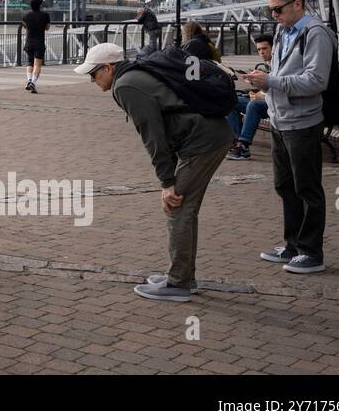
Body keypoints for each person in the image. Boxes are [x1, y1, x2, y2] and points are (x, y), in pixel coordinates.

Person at [76, 42, 231, 302]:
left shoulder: (125, 86)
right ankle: (183, 277)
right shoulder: (137, 73)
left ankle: (179, 283)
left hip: (203, 141)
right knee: (184, 207)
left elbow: (153, 135)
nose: (92, 80)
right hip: (208, 134)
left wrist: (167, 182)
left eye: (94, 74)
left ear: (108, 68)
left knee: (177, 206)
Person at [244, 0, 334, 275]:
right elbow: (282, 72)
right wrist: (265, 80)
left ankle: (312, 252)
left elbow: (315, 81)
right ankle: (293, 245)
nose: (274, 16)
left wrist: (270, 82)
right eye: (270, 11)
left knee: (307, 187)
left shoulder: (316, 33)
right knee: (285, 185)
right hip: (280, 120)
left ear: (297, 4)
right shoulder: (284, 30)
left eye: (277, 10)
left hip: (303, 123)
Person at [226, 34, 272, 160]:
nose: (262, 52)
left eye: (265, 49)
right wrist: (254, 83)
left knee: (253, 105)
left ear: (273, 48)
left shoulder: (279, 62)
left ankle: (244, 145)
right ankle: (236, 142)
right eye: (259, 50)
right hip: (265, 97)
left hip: (275, 102)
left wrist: (261, 95)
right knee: (230, 101)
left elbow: (279, 85)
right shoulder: (268, 63)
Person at [21, 0, 51, 93]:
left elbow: (25, 26)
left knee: (30, 63)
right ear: (40, 4)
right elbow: (47, 28)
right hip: (39, 43)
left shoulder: (26, 15)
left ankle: (29, 81)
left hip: (29, 42)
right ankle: (33, 83)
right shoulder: (45, 15)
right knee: (37, 64)